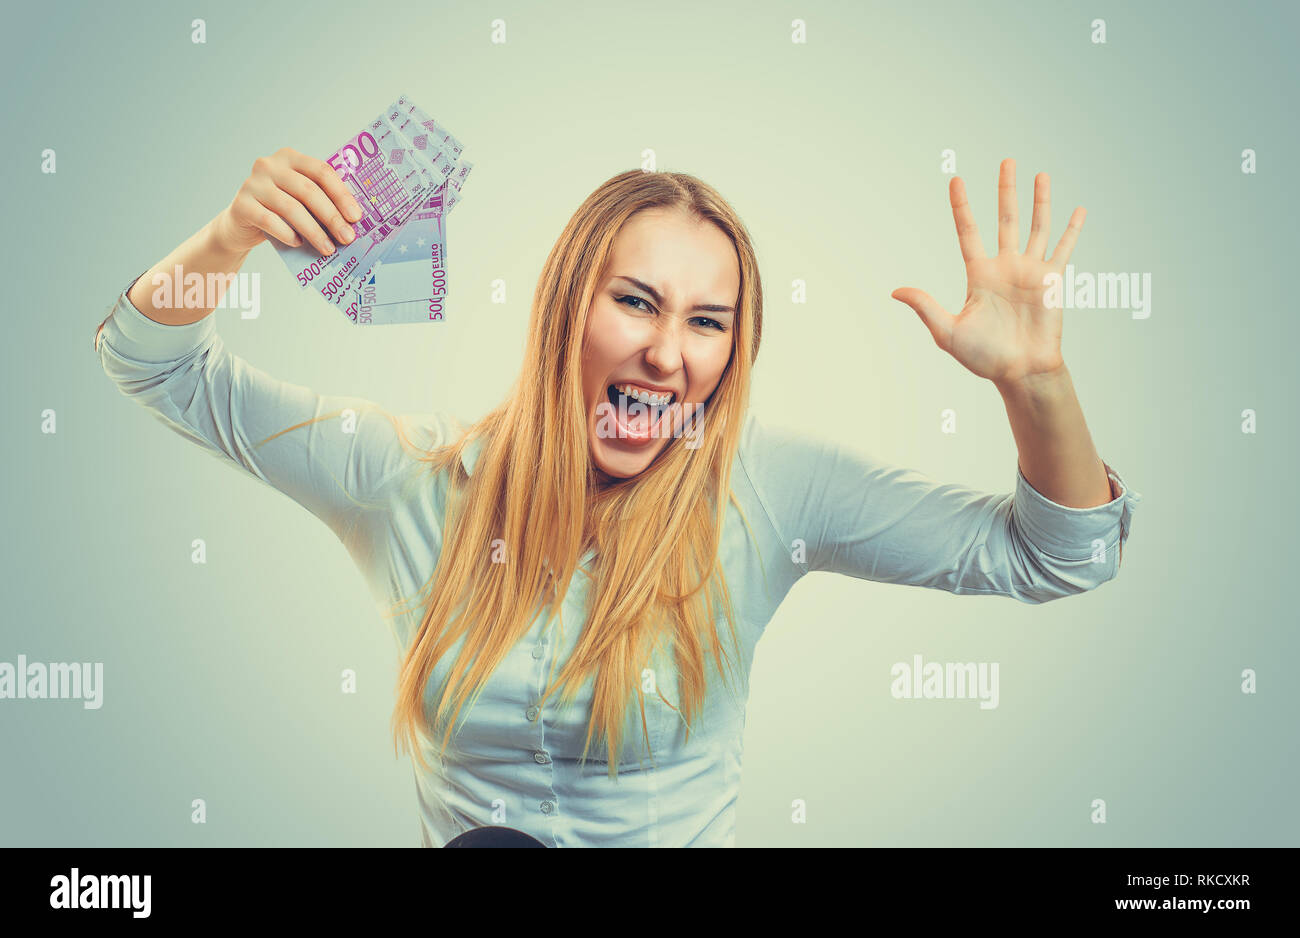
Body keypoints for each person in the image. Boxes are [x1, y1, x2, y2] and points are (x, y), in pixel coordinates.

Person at [94, 150, 1141, 847]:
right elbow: (153, 365)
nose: (663, 349)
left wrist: (1032, 381)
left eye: (707, 322)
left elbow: (1062, 555)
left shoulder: (766, 488)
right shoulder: (404, 477)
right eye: (635, 300)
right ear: (565, 308)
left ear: (734, 352)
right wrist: (230, 235)